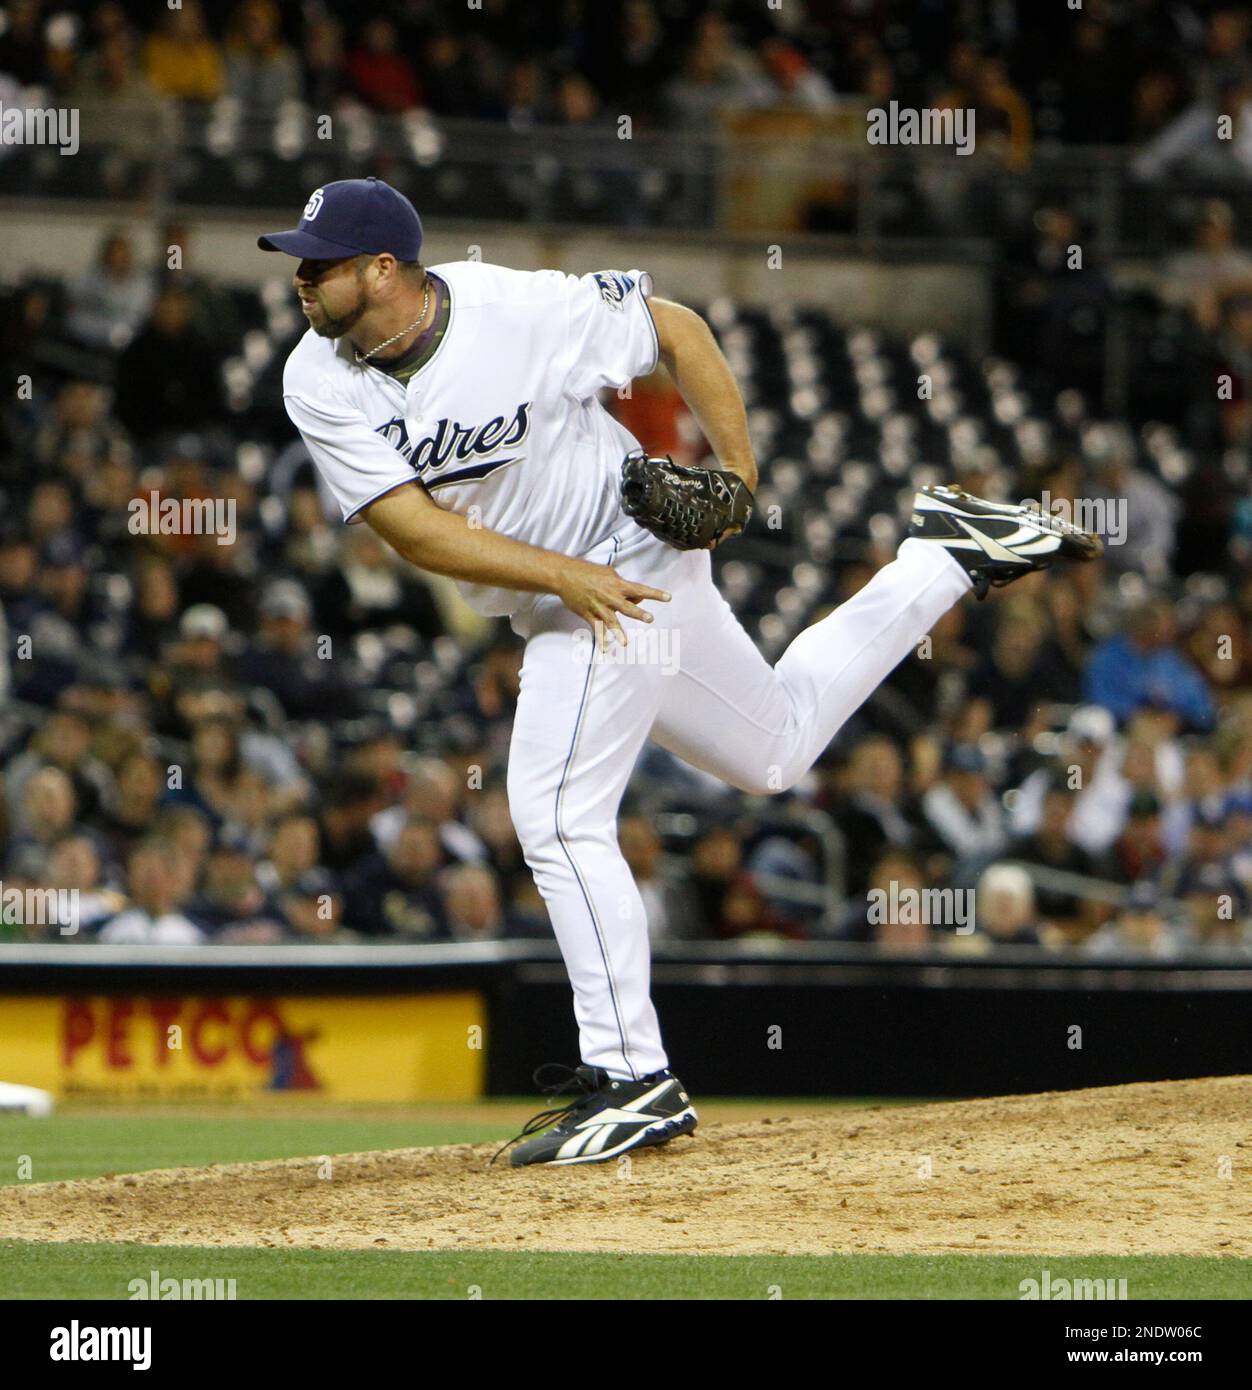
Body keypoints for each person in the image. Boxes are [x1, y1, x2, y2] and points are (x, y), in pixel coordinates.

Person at [258, 177, 1101, 1166]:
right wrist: (566, 577)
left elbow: (678, 330)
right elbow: (413, 530)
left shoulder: (513, 308)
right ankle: (948, 554)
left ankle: (630, 1078)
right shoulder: (315, 376)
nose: (302, 280)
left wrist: (737, 484)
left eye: (320, 263)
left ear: (383, 268)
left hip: (632, 549)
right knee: (774, 747)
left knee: (556, 811)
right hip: (571, 584)